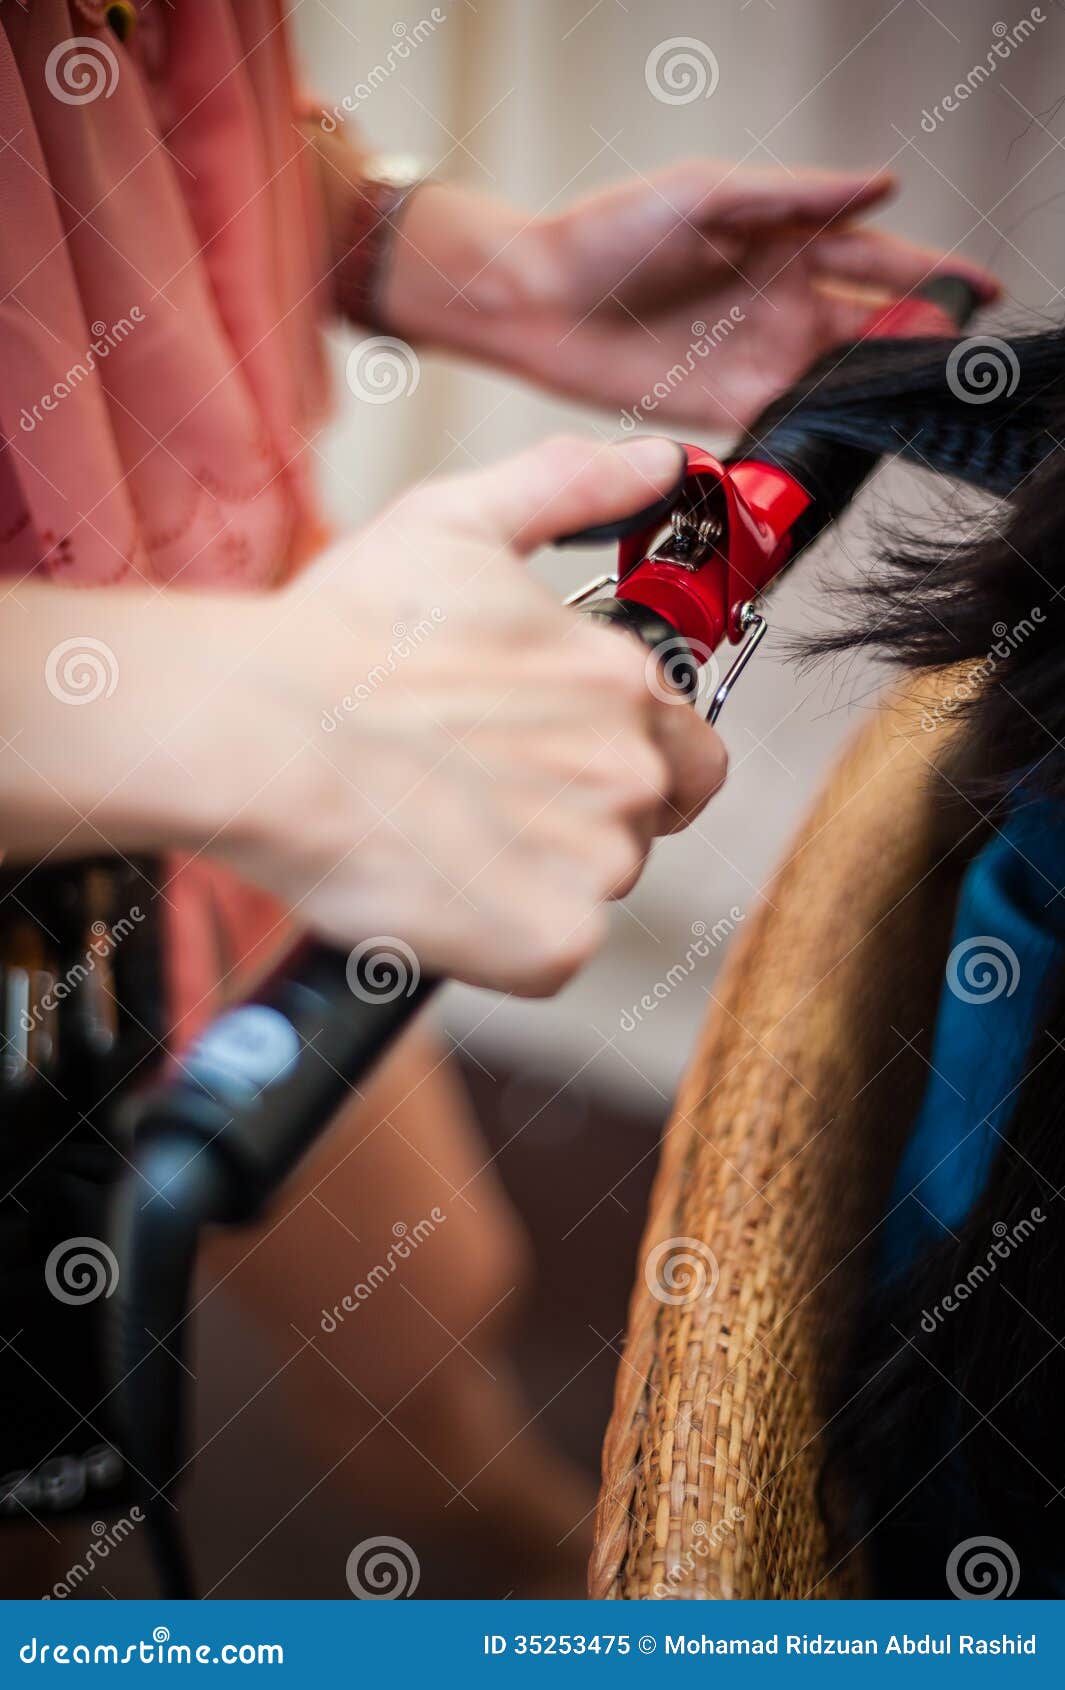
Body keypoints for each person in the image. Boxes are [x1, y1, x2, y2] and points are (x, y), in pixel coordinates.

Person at [0, 1, 995, 1596]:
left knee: (431, 1315)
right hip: (147, 801)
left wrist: (456, 261)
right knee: (39, 1531)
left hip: (247, 794)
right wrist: (231, 715)